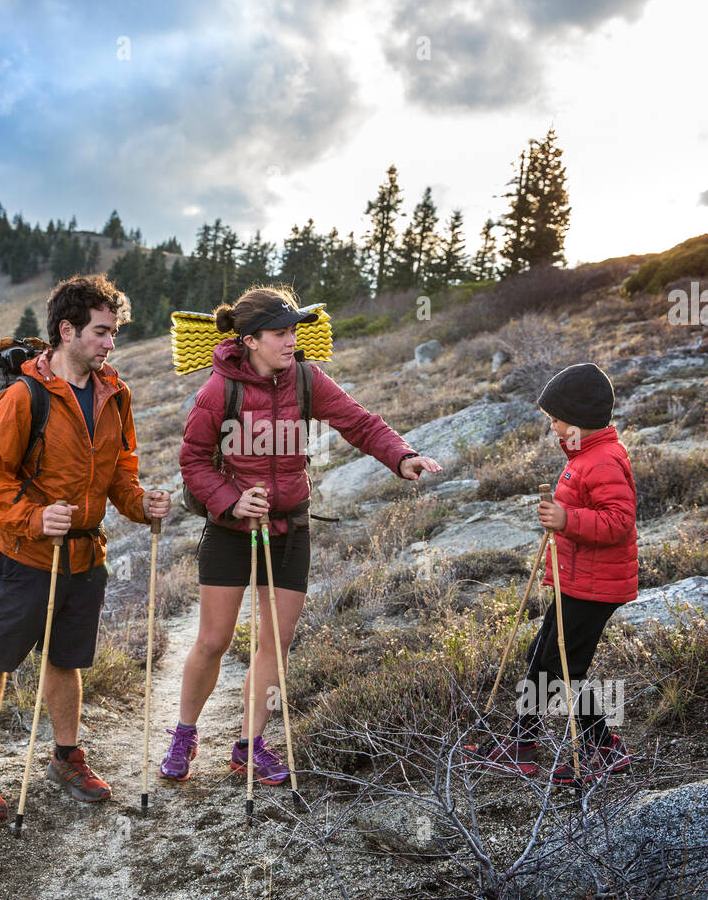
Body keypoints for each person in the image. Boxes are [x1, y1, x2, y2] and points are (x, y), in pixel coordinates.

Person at [158, 285, 442, 785]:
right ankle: (184, 733)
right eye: (280, 333)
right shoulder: (216, 391)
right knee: (213, 640)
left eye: (294, 331)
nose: (291, 341)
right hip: (231, 532)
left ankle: (250, 744)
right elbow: (194, 463)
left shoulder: (307, 379)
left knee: (276, 641)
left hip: (291, 527)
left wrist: (401, 455)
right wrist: (231, 500)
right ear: (249, 340)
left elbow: (359, 422)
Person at [0, 273, 171, 819]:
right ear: (66, 330)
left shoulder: (115, 395)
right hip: (20, 556)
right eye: (100, 331)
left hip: (83, 556)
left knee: (66, 659)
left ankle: (66, 755)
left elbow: (121, 470)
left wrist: (141, 503)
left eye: (114, 332)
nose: (110, 343)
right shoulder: (25, 396)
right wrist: (32, 517)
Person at [465, 362, 638, 784]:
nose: (553, 428)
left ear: (578, 420)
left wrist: (566, 519)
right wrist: (565, 517)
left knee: (563, 667)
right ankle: (522, 744)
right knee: (542, 659)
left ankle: (604, 750)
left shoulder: (602, 461)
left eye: (556, 420)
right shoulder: (584, 456)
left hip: (597, 586)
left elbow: (619, 522)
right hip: (580, 580)